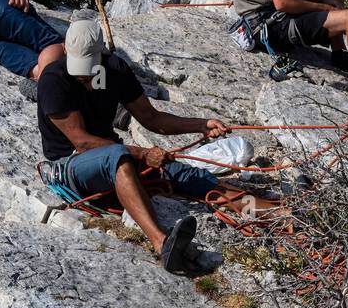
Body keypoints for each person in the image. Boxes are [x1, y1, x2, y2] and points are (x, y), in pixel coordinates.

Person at [36, 20, 282, 273]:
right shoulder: (53, 81)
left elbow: (152, 118)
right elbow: (83, 142)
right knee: (117, 157)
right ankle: (162, 244)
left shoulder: (114, 70)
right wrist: (142, 153)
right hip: (69, 164)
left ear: (102, 54)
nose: (84, 77)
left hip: (114, 155)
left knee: (192, 178)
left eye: (89, 69)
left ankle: (280, 217)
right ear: (65, 50)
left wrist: (201, 125)